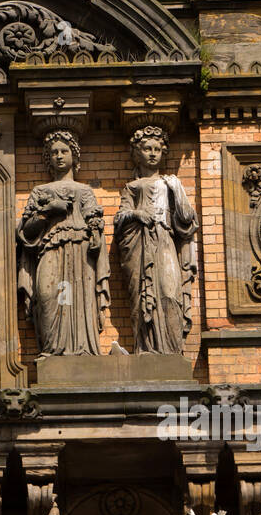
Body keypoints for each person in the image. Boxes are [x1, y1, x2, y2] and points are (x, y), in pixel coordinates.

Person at [17, 129, 109, 355]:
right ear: (48, 158)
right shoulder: (40, 191)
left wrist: (96, 236)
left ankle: (80, 350)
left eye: (64, 151)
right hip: (49, 248)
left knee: (76, 297)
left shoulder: (84, 191)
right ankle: (52, 349)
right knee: (48, 295)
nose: (59, 155)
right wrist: (47, 211)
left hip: (80, 251)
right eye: (54, 152)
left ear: (74, 155)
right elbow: (27, 231)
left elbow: (94, 221)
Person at [113, 126, 198, 355]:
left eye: (157, 149)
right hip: (141, 247)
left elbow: (187, 219)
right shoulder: (132, 187)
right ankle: (146, 347)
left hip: (165, 241)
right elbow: (119, 218)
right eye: (147, 149)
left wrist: (177, 190)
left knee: (170, 293)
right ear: (137, 153)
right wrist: (137, 214)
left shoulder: (169, 183)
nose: (153, 153)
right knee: (143, 298)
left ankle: (171, 350)